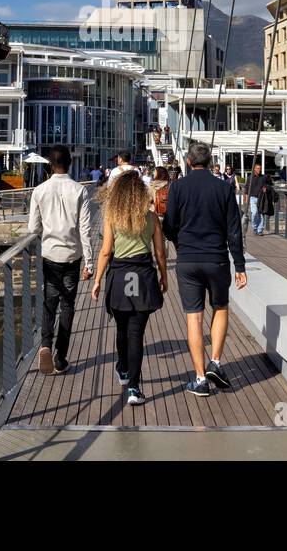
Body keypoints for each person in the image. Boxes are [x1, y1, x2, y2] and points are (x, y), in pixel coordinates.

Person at [161, 141, 247, 398]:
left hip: (187, 260)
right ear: (210, 162)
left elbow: (169, 226)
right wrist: (240, 265)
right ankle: (216, 362)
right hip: (217, 259)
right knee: (220, 307)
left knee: (193, 316)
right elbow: (234, 230)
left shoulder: (177, 188)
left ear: (188, 162)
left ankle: (199, 378)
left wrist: (180, 243)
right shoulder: (223, 188)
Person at [91, 170, 168, 406]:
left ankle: (123, 369)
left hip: (119, 274)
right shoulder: (151, 218)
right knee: (137, 333)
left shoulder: (112, 217)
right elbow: (160, 252)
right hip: (143, 274)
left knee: (121, 328)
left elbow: (105, 251)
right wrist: (164, 276)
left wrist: (97, 280)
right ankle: (134, 387)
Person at [26, 145, 95, 376]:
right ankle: (61, 356)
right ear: (70, 163)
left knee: (50, 300)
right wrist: (90, 262)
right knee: (68, 305)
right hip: (72, 255)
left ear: (50, 164)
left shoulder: (40, 190)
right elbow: (85, 229)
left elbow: (33, 228)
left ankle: (45, 343)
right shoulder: (80, 191)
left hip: (50, 255)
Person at [245, 163, 274, 236]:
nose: (259, 170)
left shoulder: (263, 177)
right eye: (257, 168)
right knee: (254, 213)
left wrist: (266, 188)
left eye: (260, 168)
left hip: (261, 198)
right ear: (254, 169)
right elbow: (246, 189)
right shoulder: (250, 178)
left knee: (261, 214)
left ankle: (260, 230)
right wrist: (246, 199)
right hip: (252, 198)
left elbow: (270, 184)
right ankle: (255, 228)